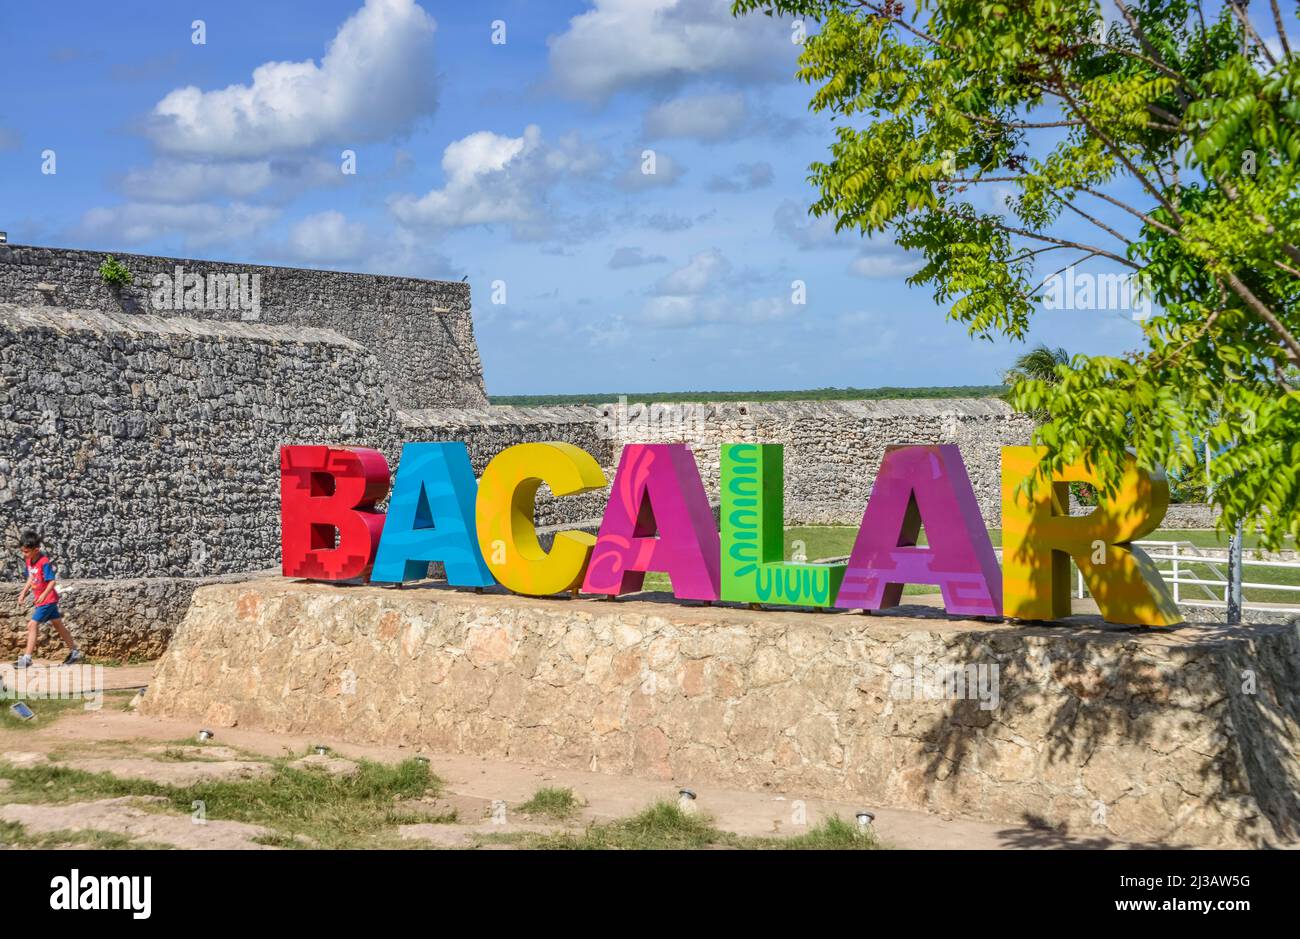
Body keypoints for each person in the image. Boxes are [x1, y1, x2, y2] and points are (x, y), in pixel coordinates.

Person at [14, 530, 81, 667]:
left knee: (32, 624)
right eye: (23, 551)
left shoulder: (44, 562)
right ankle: (75, 653)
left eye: (26, 552)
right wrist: (23, 593)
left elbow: (52, 582)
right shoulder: (29, 561)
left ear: (36, 550)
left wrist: (43, 595)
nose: (24, 554)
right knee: (58, 624)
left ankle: (27, 658)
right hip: (43, 600)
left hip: (47, 600)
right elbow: (31, 578)